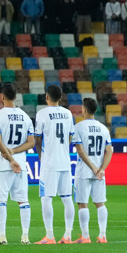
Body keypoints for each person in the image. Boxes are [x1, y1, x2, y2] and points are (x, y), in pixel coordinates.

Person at [0, 83, 36, 245]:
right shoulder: (25, 117)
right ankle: (25, 236)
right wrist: (15, 154)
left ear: (2, 97)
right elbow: (31, 142)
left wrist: (10, 158)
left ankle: (2, 236)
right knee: (23, 200)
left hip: (3, 165)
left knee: (1, 200)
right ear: (16, 97)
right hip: (21, 164)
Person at [33, 84, 76, 244]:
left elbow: (37, 138)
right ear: (61, 97)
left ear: (47, 97)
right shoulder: (68, 113)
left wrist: (40, 156)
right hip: (65, 162)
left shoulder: (42, 113)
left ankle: (50, 236)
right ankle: (68, 235)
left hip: (49, 163)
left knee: (46, 198)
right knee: (67, 199)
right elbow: (71, 136)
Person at [72, 98, 112, 244]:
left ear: (84, 109)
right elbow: (109, 151)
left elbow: (80, 151)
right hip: (99, 173)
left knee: (82, 203)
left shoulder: (78, 127)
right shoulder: (103, 128)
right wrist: (101, 169)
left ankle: (85, 236)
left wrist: (93, 167)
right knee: (100, 203)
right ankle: (102, 235)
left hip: (84, 171)